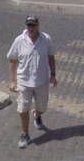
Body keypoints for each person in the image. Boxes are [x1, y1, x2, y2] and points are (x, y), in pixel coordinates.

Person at [7, 15, 57, 147]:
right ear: (26, 26)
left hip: (42, 81)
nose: (31, 28)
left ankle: (37, 115)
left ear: (38, 26)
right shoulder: (19, 40)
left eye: (33, 25)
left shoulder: (46, 39)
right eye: (29, 25)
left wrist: (53, 75)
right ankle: (25, 134)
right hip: (23, 81)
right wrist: (12, 81)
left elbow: (51, 57)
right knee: (23, 109)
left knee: (42, 108)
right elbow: (12, 60)